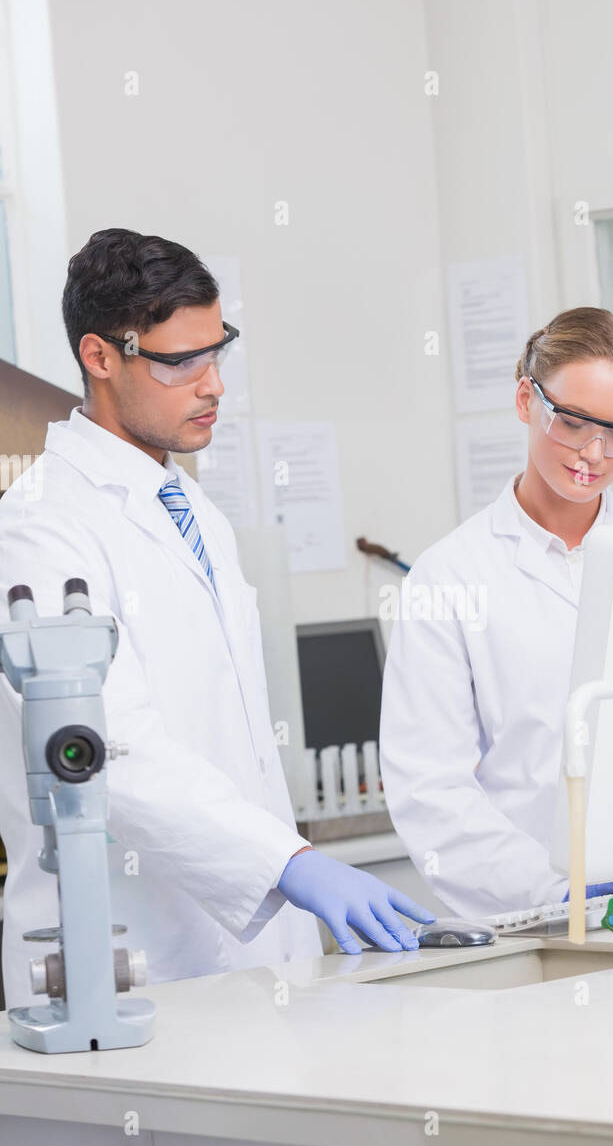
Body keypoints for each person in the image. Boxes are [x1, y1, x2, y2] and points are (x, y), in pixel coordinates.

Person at [0, 228, 432, 1010]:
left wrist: (281, 861)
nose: (213, 386)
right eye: (180, 361)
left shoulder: (190, 508)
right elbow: (104, 750)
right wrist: (289, 865)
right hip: (133, 961)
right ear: (100, 357)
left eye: (217, 351)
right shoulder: (40, 528)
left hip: (247, 949)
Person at [380, 307, 613, 919]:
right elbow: (430, 791)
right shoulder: (450, 577)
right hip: (539, 917)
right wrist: (564, 894)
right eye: (573, 422)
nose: (594, 454)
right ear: (527, 399)